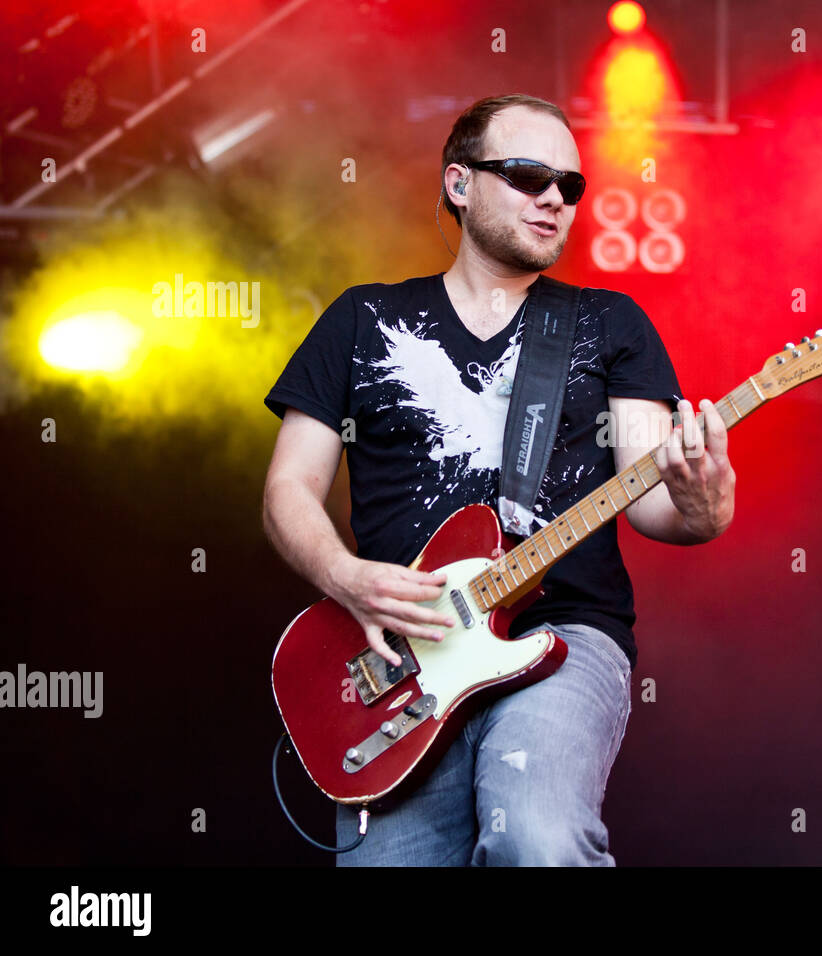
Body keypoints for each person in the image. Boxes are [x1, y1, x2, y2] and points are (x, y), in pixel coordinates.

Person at [261, 93, 736, 865]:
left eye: (570, 187)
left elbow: (657, 503)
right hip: (400, 663)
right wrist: (345, 577)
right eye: (526, 175)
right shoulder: (361, 320)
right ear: (458, 183)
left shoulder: (609, 323)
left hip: (561, 635)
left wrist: (706, 498)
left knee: (540, 840)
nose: (554, 197)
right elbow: (288, 490)